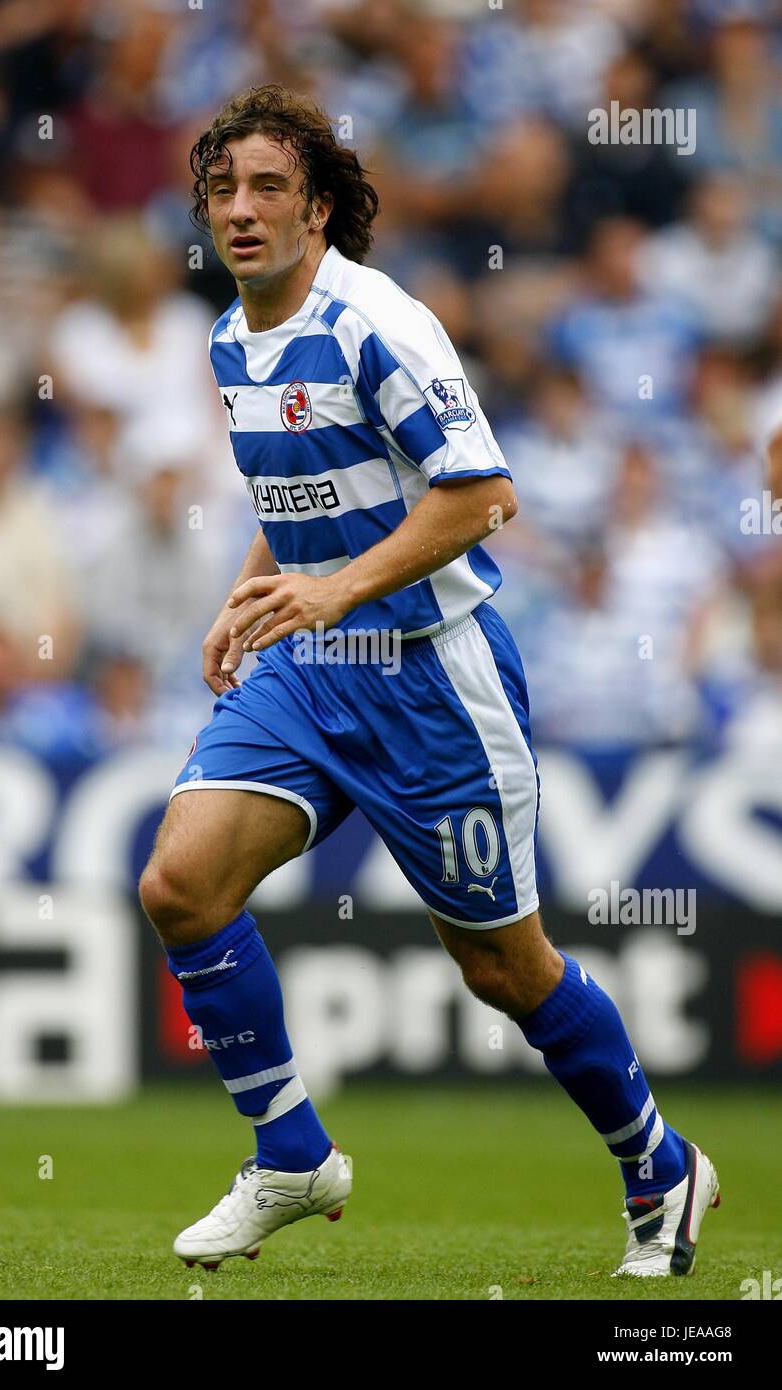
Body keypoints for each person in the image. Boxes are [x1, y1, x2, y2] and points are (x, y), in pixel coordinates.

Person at [138, 85, 719, 1278]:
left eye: (268, 190)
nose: (240, 211)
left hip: (430, 679)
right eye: (223, 189)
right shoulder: (224, 337)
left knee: (503, 966)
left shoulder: (379, 322)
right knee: (180, 884)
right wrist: (252, 596)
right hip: (309, 672)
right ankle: (292, 1152)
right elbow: (302, 501)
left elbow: (479, 495)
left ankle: (657, 1163)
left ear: (316, 212)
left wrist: (331, 593)